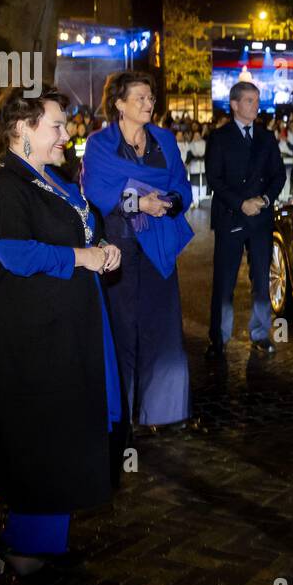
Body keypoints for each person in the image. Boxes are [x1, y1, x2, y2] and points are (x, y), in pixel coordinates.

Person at [0, 88, 124, 577]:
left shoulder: (49, 179)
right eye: (56, 126)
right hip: (29, 341)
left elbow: (75, 231)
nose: (67, 133)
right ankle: (27, 550)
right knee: (39, 434)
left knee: (64, 432)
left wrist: (102, 247)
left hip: (65, 332)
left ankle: (46, 543)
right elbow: (16, 253)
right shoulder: (0, 186)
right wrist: (83, 257)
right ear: (22, 130)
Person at [82, 71, 194, 429]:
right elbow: (97, 190)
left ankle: (160, 411)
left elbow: (181, 185)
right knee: (122, 328)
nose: (149, 103)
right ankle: (120, 411)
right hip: (119, 248)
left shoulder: (164, 140)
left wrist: (170, 202)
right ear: (119, 103)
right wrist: (138, 204)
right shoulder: (100, 144)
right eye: (141, 98)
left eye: (150, 97)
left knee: (160, 328)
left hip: (159, 246)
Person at [205, 81, 286, 359]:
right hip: (230, 218)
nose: (256, 105)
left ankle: (261, 334)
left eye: (257, 100)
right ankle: (218, 339)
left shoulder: (266, 137)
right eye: (250, 100)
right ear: (235, 104)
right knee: (224, 281)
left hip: (260, 219)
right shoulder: (219, 137)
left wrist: (263, 200)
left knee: (261, 280)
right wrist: (241, 203)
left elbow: (279, 175)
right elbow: (215, 179)